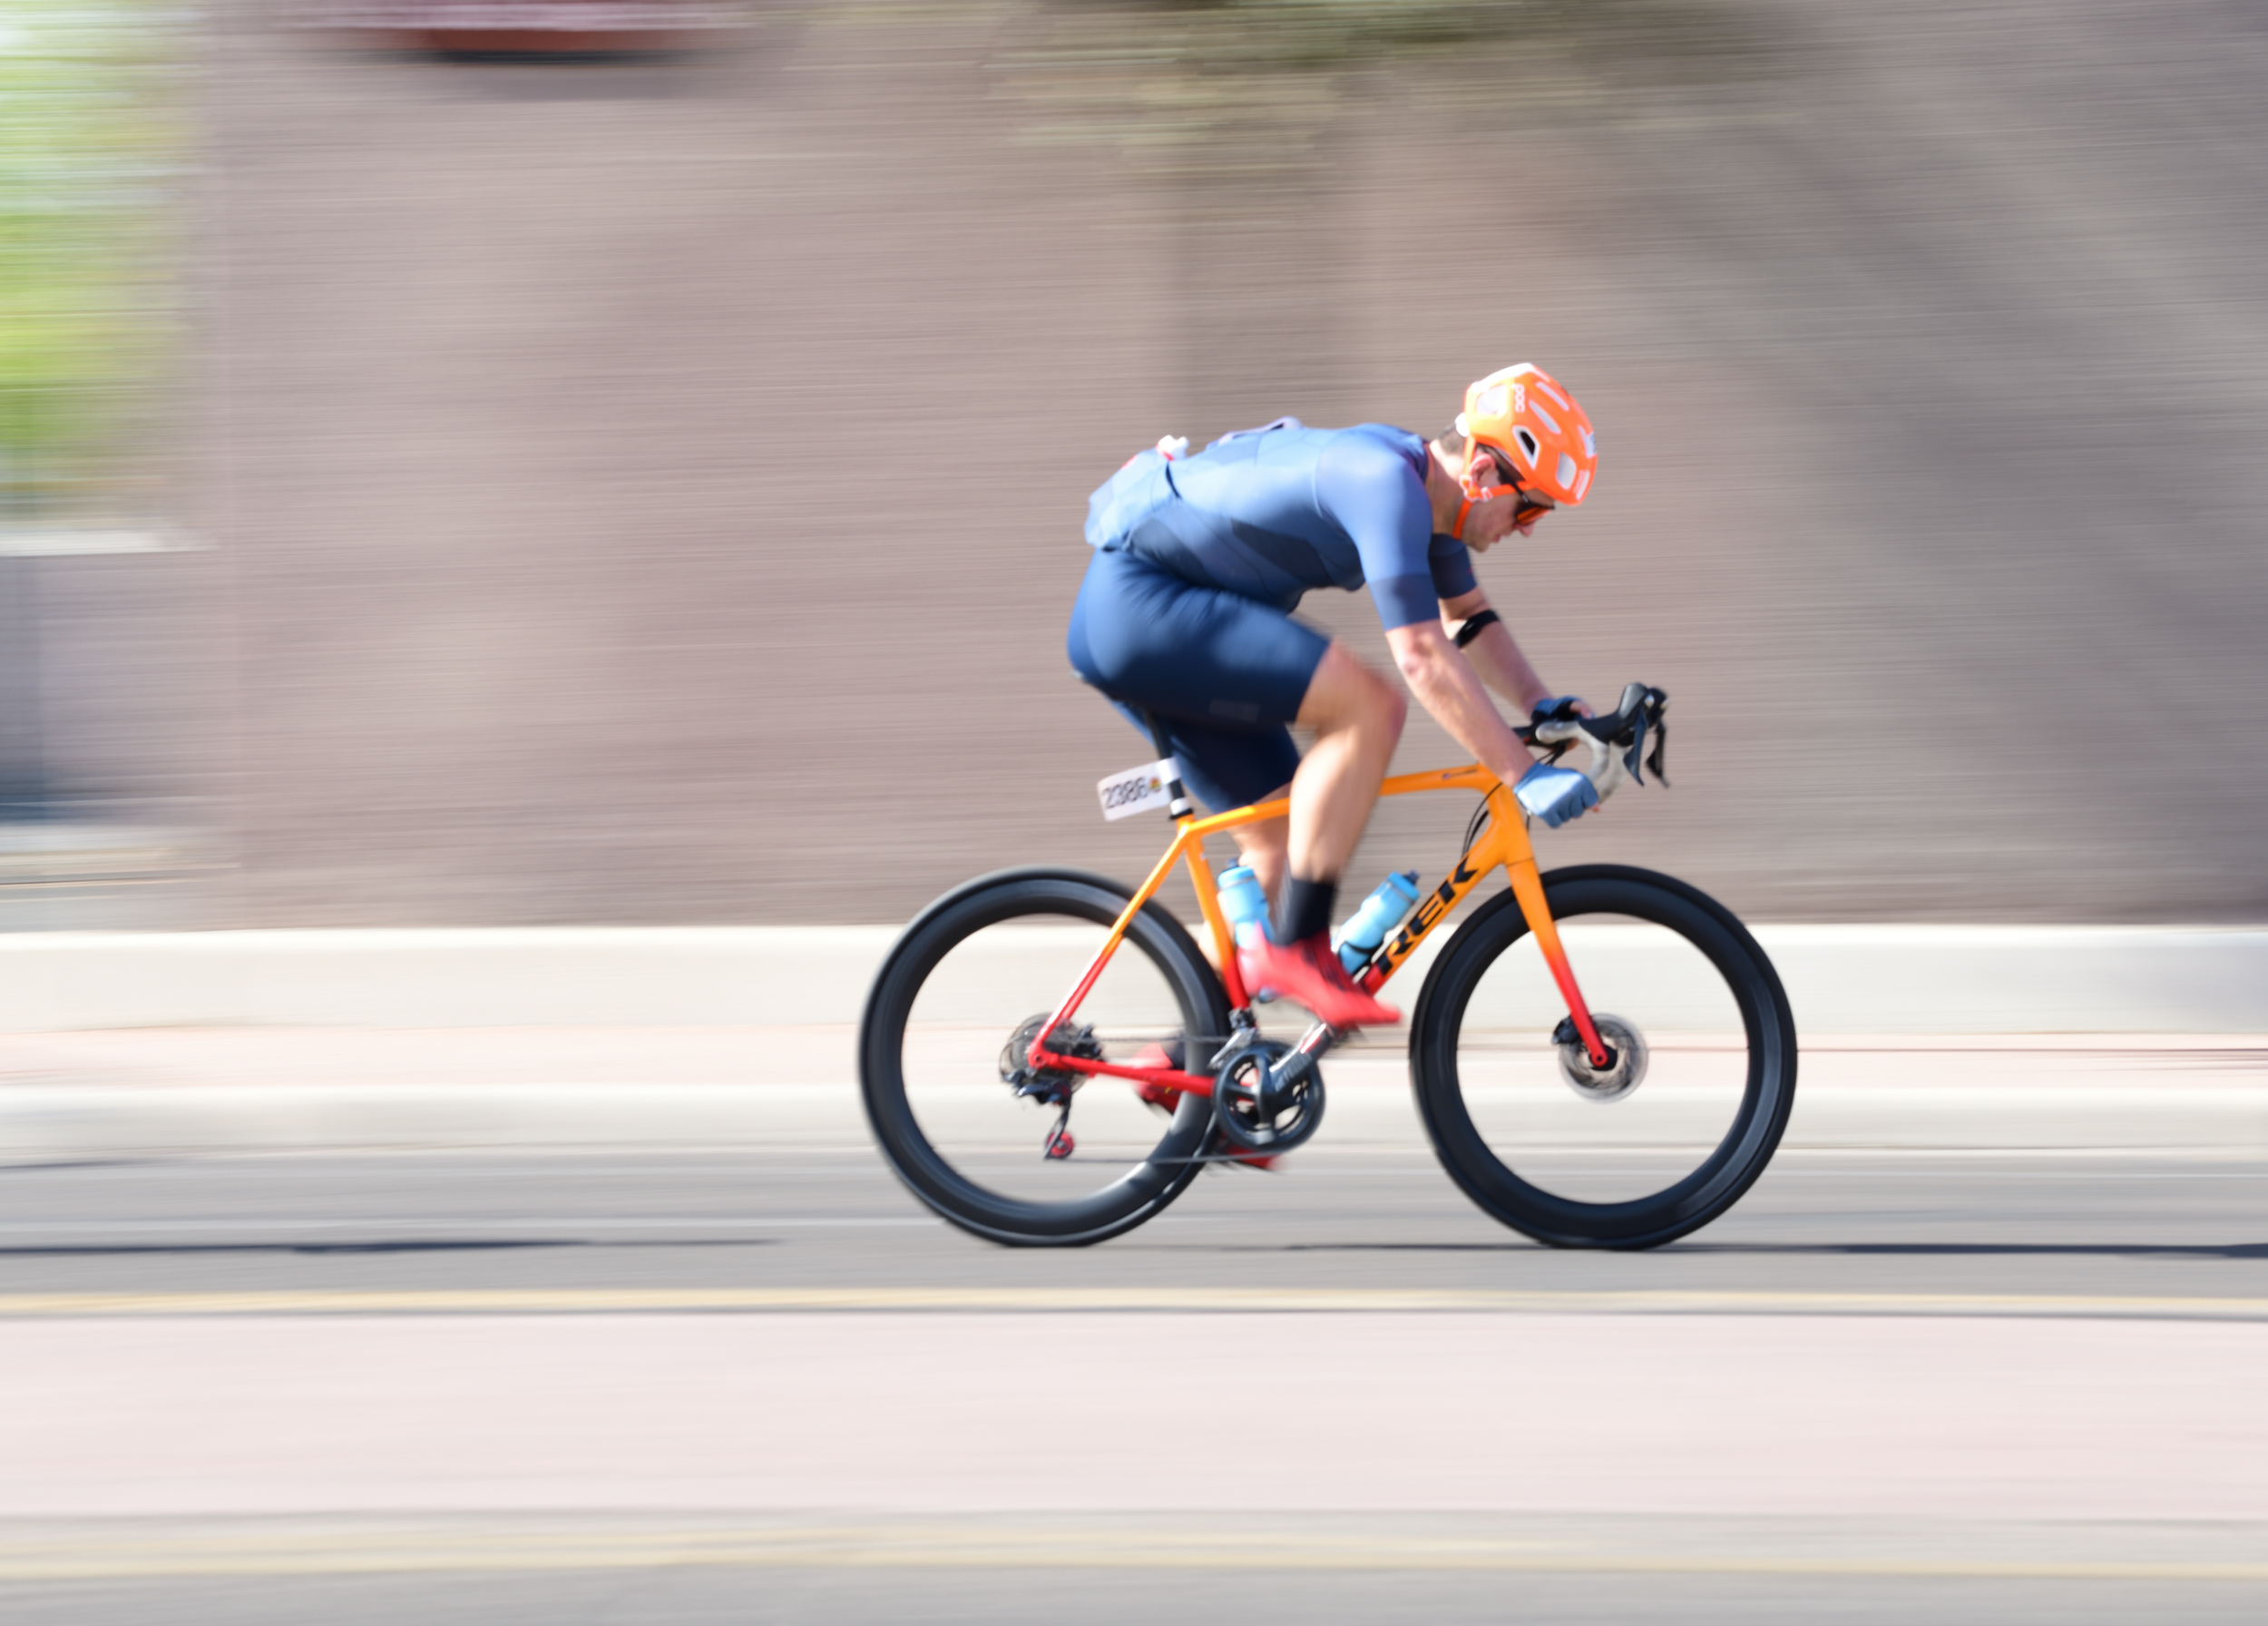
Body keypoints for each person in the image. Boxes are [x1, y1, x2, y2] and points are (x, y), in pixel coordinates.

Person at [1066, 363, 1601, 1031]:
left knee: (1276, 842)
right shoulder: (1384, 482)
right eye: (1531, 507)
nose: (1527, 528)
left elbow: (1467, 617)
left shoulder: (1433, 504)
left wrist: (1542, 704)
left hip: (1153, 619)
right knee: (1370, 705)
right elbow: (1422, 655)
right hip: (1138, 607)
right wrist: (1519, 773)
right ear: (1486, 474)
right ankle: (1301, 952)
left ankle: (1191, 1067)